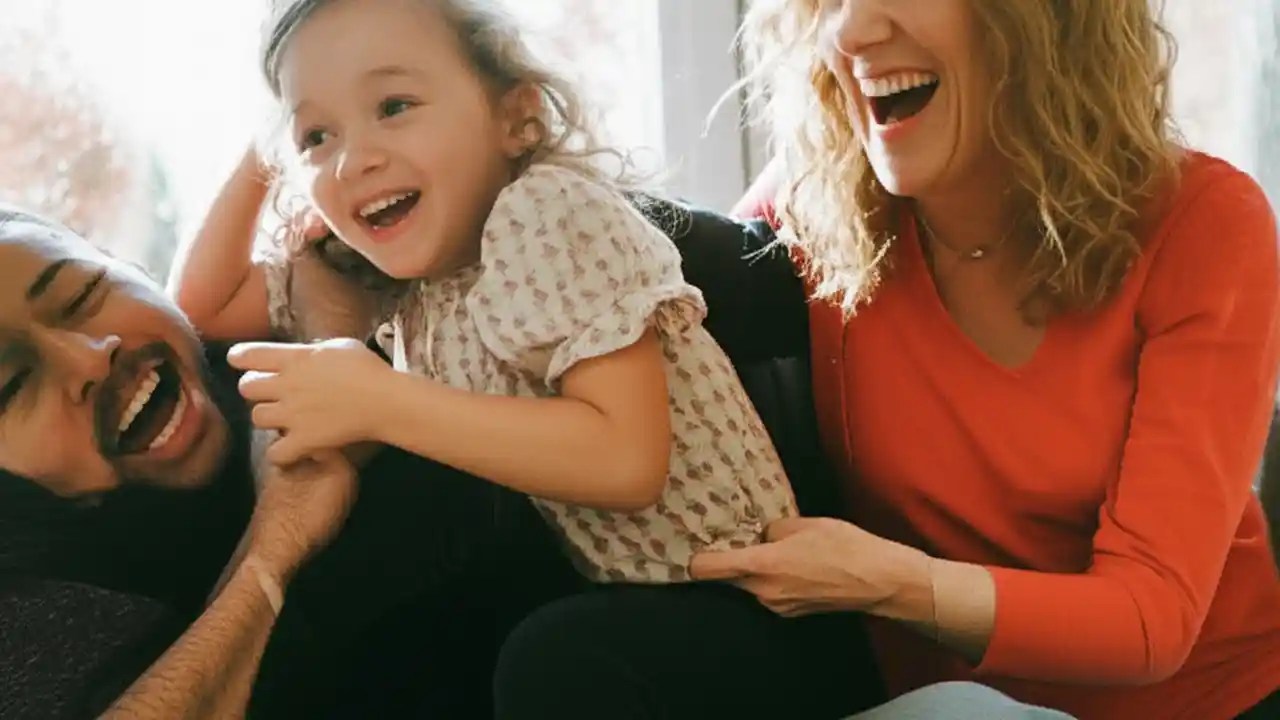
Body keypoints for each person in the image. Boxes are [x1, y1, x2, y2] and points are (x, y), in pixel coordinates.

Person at [491, 0, 1280, 719]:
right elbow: (598, 278)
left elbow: (1150, 622)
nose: (849, 30)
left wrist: (896, 583)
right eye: (827, 1)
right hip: (930, 701)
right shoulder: (821, 209)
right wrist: (367, 372)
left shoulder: (1204, 224)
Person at [171, 0, 798, 586]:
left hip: (753, 591)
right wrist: (271, 135)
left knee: (552, 653)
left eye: (393, 106)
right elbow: (202, 304)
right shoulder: (400, 280)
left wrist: (382, 401)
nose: (351, 161)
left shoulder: (551, 211)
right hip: (628, 590)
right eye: (317, 138)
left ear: (514, 117)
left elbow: (628, 462)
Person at [0, 205, 582, 718]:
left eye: (82, 295)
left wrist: (332, 342)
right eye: (14, 386)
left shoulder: (273, 336)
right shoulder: (35, 608)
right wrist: (276, 542)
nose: (90, 360)